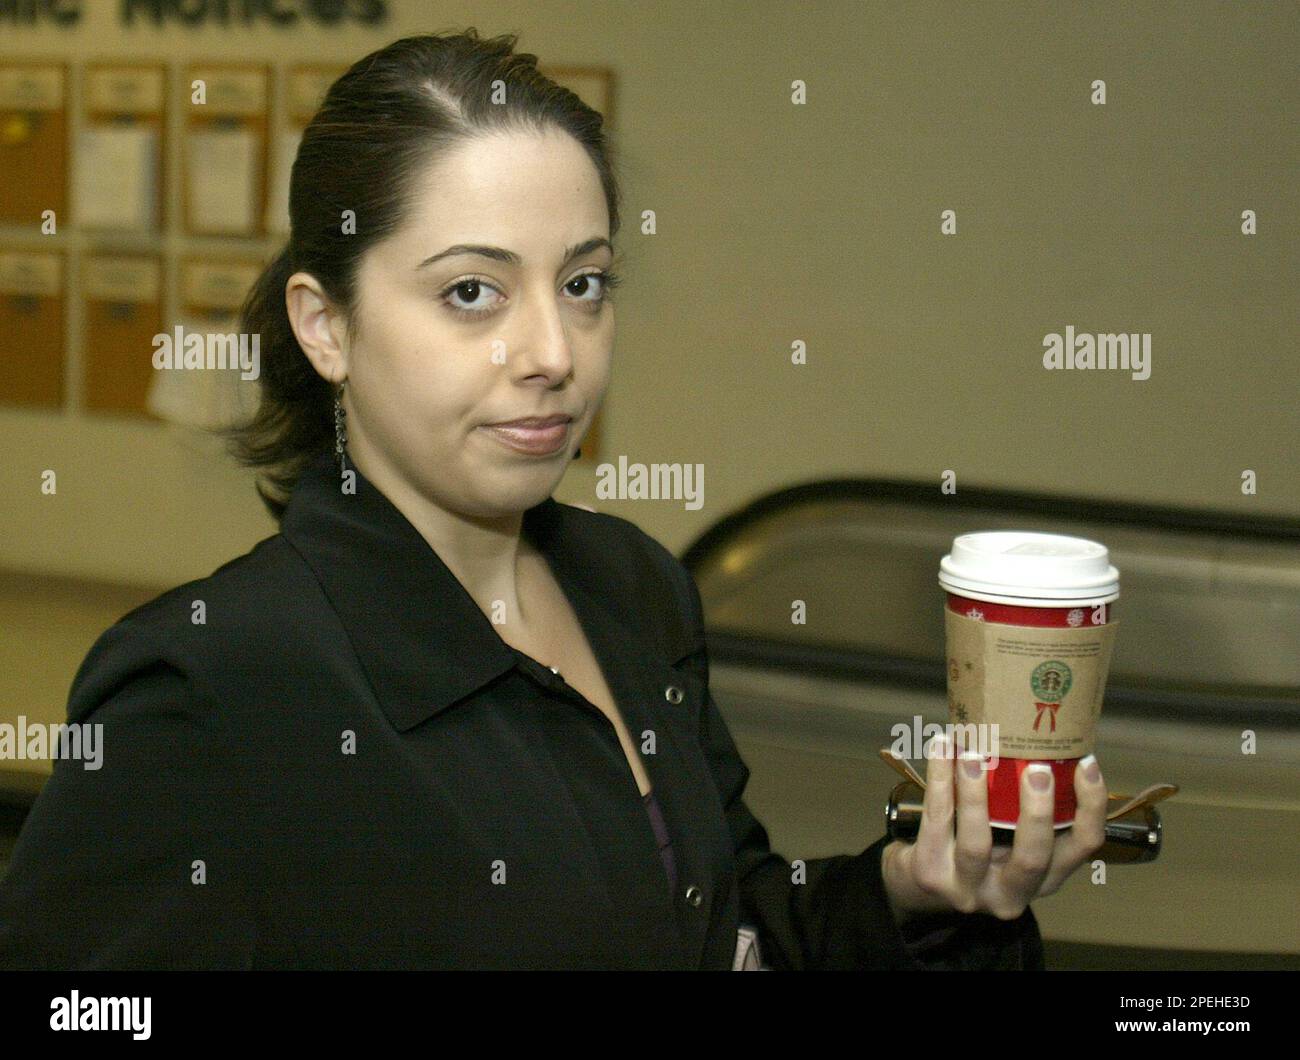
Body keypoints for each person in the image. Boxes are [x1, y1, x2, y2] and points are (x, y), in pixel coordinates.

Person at [0, 28, 1107, 970]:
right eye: (471, 293)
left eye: (583, 284)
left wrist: (919, 890)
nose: (551, 352)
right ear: (323, 324)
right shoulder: (211, 684)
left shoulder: (632, 586)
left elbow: (731, 930)